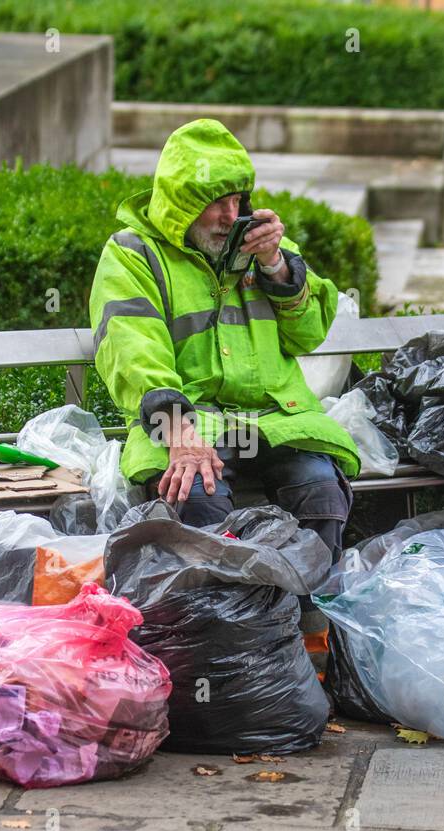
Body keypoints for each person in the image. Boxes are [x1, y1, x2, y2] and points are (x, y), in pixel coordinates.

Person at [87, 118, 360, 667]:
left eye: (237, 200)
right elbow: (132, 350)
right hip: (191, 425)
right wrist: (176, 431)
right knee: (197, 497)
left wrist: (277, 266)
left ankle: (306, 641)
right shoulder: (133, 255)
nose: (230, 216)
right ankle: (234, 648)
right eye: (215, 202)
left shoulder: (261, 250)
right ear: (179, 204)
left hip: (276, 420)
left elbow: (308, 333)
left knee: (320, 490)